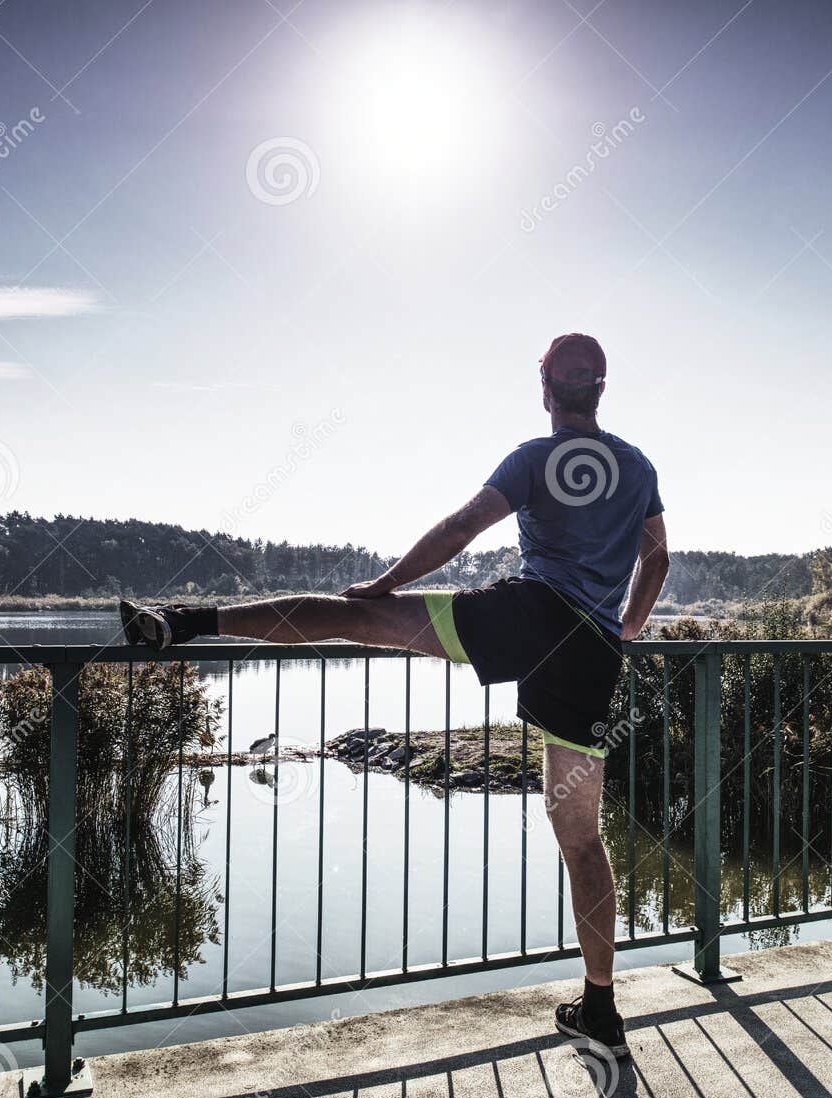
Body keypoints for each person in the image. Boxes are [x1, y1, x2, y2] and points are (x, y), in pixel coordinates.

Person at [120, 333, 667, 1057]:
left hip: (527, 618)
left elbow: (463, 526)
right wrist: (625, 624)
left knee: (353, 618)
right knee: (583, 838)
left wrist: (389, 585)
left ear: (546, 388)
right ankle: (601, 1010)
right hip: (591, 655)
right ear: (600, 388)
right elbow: (657, 554)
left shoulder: (536, 457)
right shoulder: (636, 465)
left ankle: (183, 623)